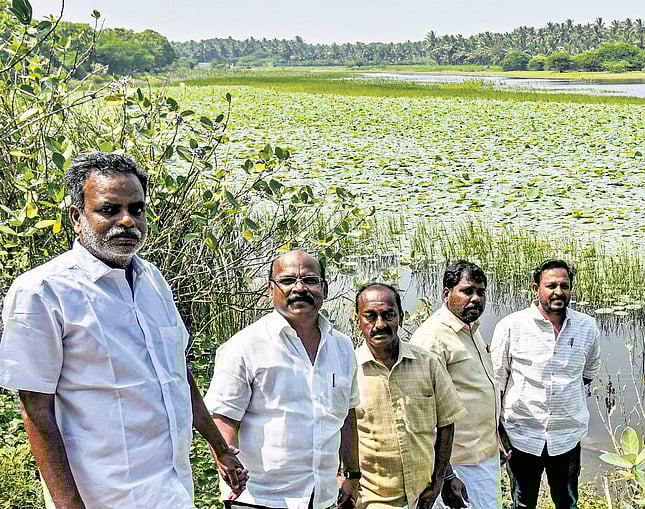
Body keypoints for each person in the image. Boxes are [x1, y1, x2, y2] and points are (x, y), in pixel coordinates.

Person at [0, 152, 246, 508]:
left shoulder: (153, 280)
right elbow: (36, 410)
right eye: (109, 210)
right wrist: (70, 505)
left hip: (172, 487)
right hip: (104, 493)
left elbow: (177, 372)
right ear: (77, 216)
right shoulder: (43, 291)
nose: (127, 221)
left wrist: (220, 447)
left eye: (137, 209)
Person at [205, 250, 361, 509]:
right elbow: (223, 417)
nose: (299, 288)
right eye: (288, 281)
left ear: (324, 287)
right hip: (260, 498)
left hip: (321, 497)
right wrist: (228, 462)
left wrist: (353, 475)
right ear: (270, 289)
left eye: (310, 280)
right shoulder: (245, 346)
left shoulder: (343, 347)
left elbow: (346, 415)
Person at [491, 259, 601, 509]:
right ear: (535, 289)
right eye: (551, 285)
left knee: (568, 502)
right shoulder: (511, 326)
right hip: (522, 435)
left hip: (566, 436)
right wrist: (497, 433)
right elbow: (497, 382)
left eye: (564, 285)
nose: (558, 292)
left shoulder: (587, 327)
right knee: (522, 502)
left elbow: (587, 374)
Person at [352, 283, 466, 509]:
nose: (380, 324)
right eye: (370, 316)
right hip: (372, 500)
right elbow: (335, 432)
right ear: (358, 320)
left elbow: (446, 424)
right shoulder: (348, 370)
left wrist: (439, 482)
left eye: (388, 315)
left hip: (423, 497)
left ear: (401, 317)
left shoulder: (428, 364)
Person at [410, 262, 500, 509]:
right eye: (467, 291)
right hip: (457, 464)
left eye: (481, 292)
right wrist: (446, 475)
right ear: (446, 294)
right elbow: (422, 416)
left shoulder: (471, 329)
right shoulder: (431, 338)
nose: (476, 299)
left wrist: (498, 436)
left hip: (482, 456)